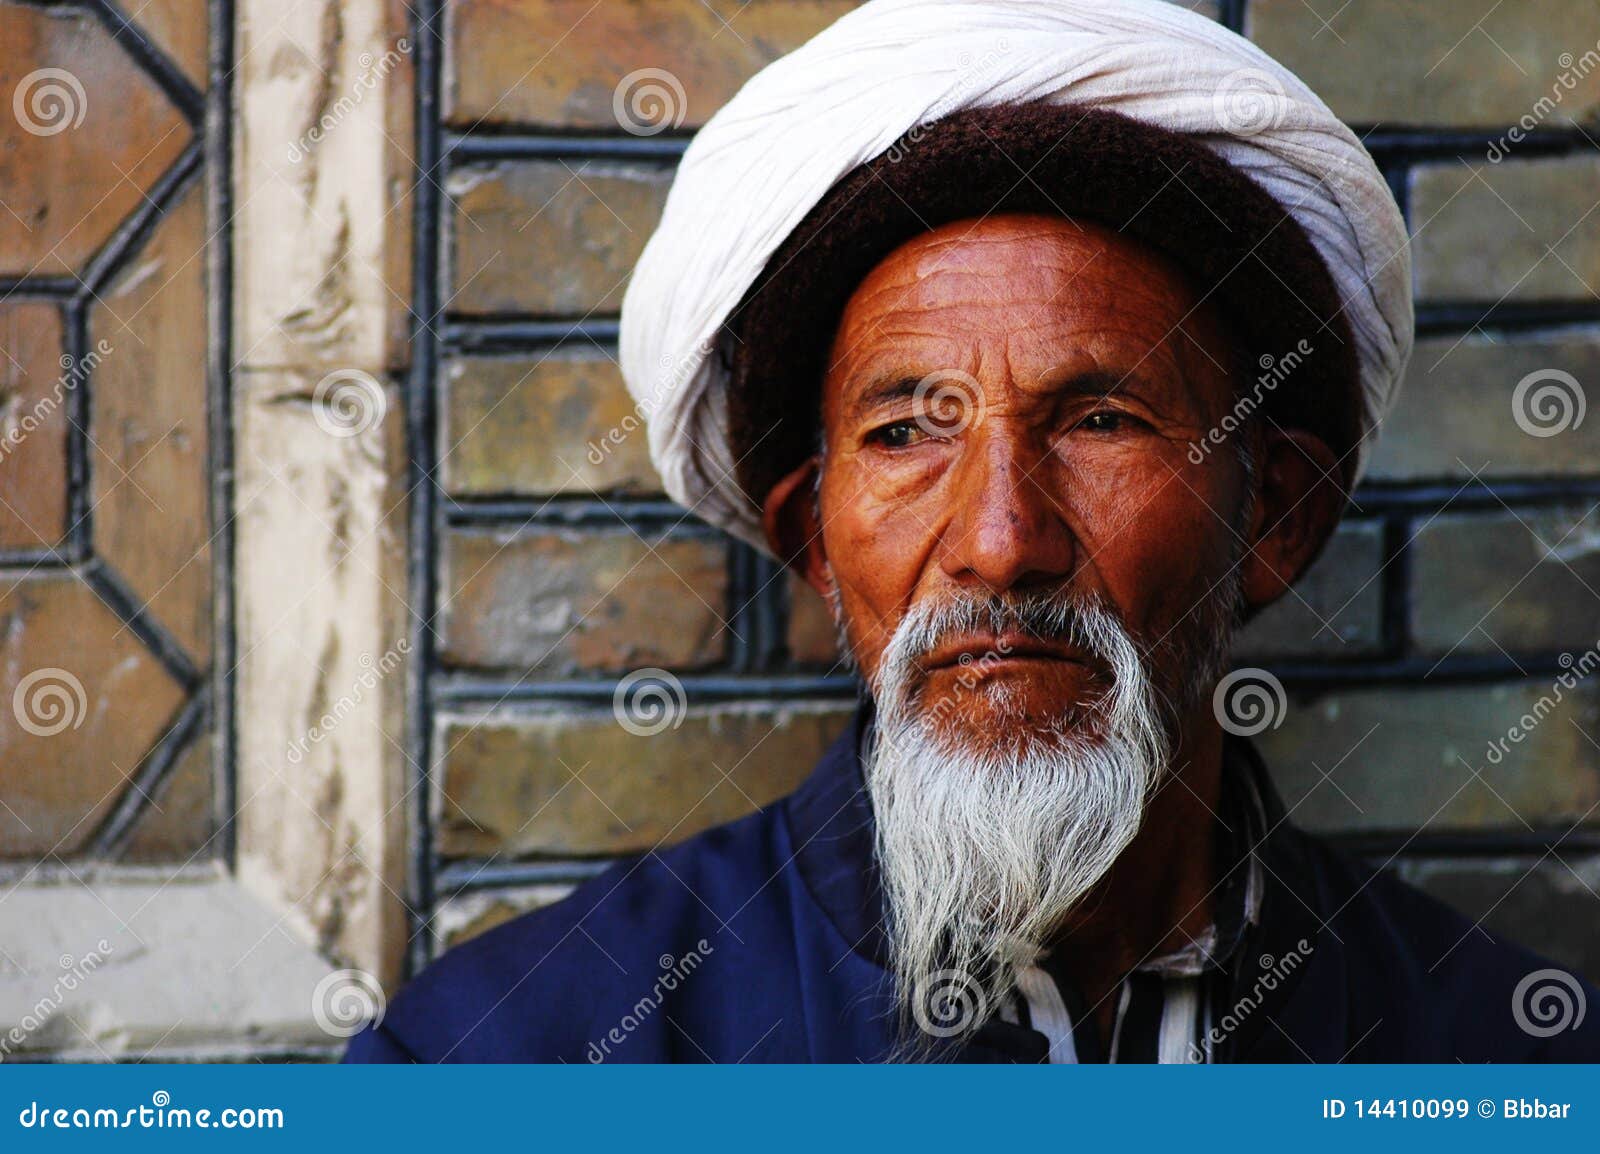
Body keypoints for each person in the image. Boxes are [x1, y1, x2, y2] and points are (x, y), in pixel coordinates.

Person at [348, 0, 1599, 1063]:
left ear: (1272, 514)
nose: (1000, 541)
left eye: (1101, 419)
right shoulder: (511, 1053)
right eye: (905, 432)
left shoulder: (1507, 1049)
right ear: (812, 541)